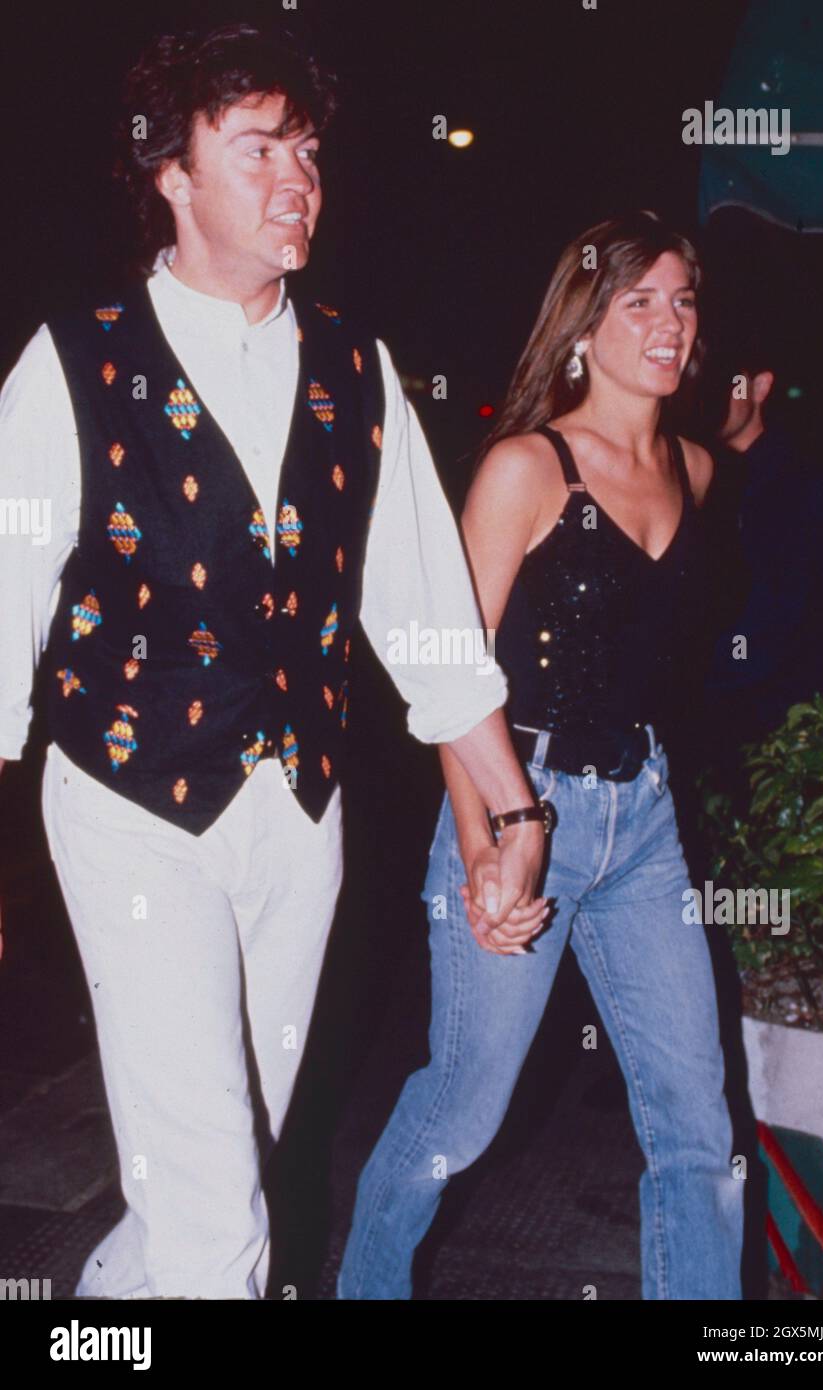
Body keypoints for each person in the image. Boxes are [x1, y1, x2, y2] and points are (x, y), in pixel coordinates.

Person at [0, 21, 550, 1299]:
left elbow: (425, 621)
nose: (296, 175)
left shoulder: (357, 370)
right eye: (255, 148)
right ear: (172, 177)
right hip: (134, 809)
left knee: (199, 1186)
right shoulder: (73, 364)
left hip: (299, 821)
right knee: (215, 1227)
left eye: (305, 148)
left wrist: (507, 811)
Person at [338, 211, 745, 1301]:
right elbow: (445, 667)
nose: (669, 323)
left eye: (684, 300)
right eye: (640, 301)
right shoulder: (527, 466)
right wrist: (481, 848)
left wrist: (748, 426)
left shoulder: (695, 470)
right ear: (583, 325)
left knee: (697, 1126)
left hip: (644, 824)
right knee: (459, 1115)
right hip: (519, 801)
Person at [704, 353, 823, 756]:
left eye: (732, 382)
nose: (715, 396)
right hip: (709, 726)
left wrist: (815, 717)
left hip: (790, 728)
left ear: (761, 388)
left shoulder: (818, 482)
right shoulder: (690, 479)